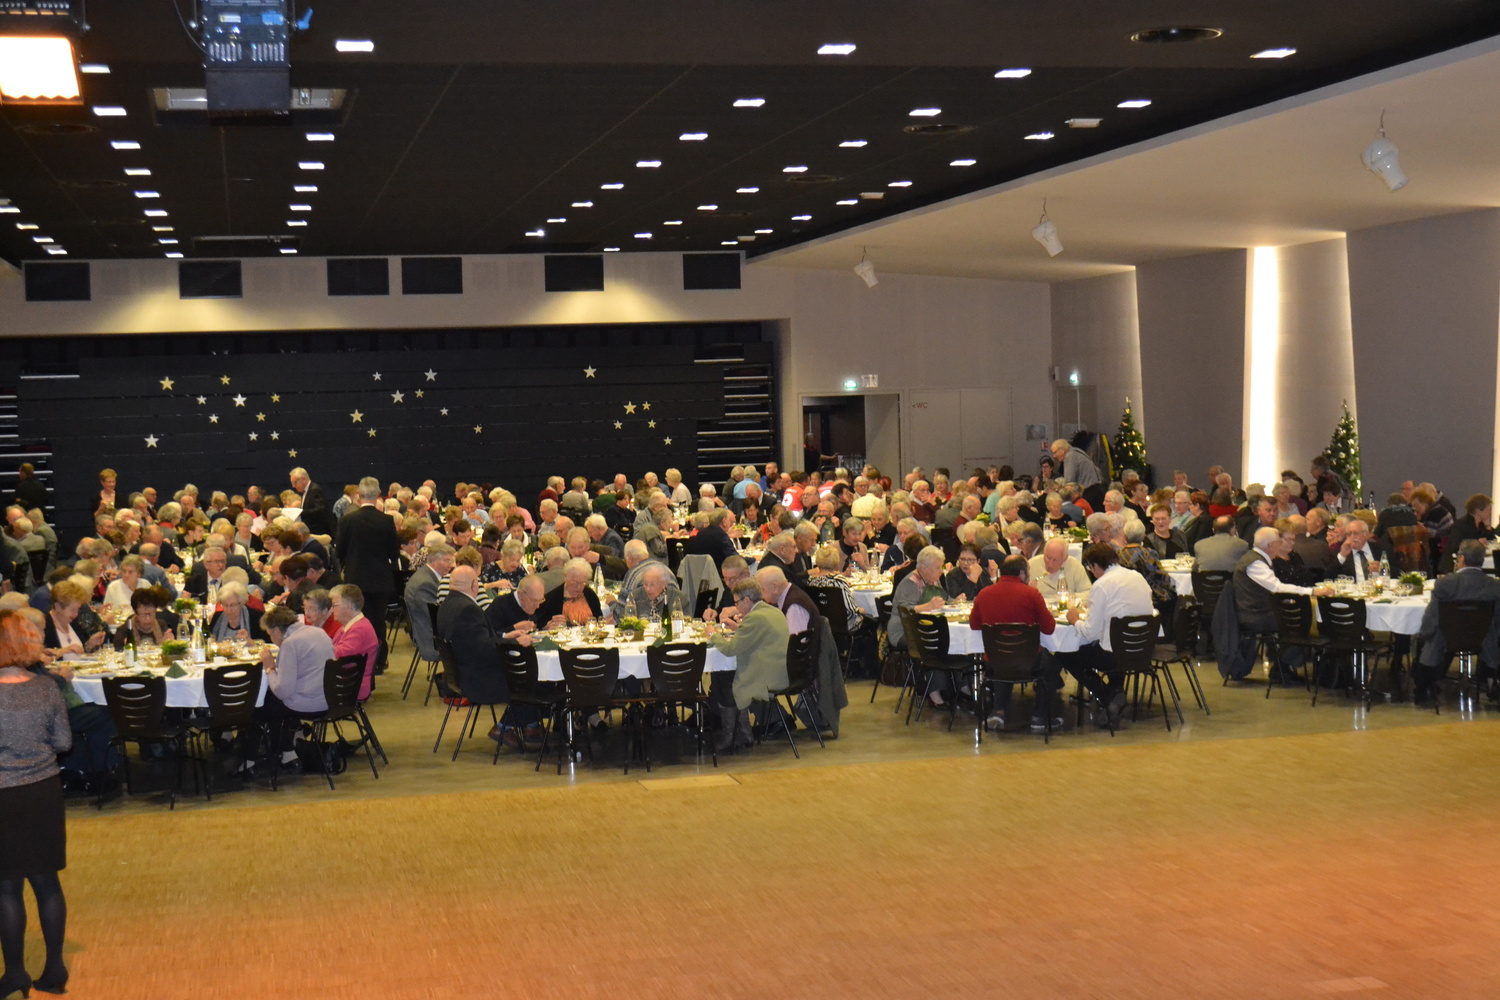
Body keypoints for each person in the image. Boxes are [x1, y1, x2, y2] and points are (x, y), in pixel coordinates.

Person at [0, 610, 72, 998]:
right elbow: (63, 742)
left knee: (6, 888)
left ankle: (15, 976)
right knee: (47, 883)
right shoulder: (47, 687)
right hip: (44, 791)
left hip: (4, 796)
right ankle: (55, 969)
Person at [1057, 544, 1153, 729]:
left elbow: (1090, 632)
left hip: (1112, 655)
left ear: (1095, 565)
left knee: (1065, 653)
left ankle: (1107, 697)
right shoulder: (1137, 577)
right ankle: (1115, 695)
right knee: (1114, 644)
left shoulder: (1102, 585)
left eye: (1090, 568)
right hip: (1141, 650)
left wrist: (1075, 620)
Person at [970, 554, 1060, 733]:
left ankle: (998, 711)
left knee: (1004, 656)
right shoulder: (1031, 594)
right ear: (1022, 573)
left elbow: (974, 625)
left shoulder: (984, 593)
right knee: (1055, 662)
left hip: (994, 660)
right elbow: (1049, 628)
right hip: (1028, 661)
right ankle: (1040, 716)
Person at [706, 576, 790, 752]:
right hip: (780, 669)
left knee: (723, 678)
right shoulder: (772, 611)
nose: (736, 607)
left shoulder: (754, 618)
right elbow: (756, 633)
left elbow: (730, 649)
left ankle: (733, 736)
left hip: (766, 677)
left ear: (747, 600)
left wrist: (713, 634)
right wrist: (737, 628)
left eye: (737, 603)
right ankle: (742, 732)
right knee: (726, 676)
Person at [1412, 540, 1500, 704]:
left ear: (1461, 558)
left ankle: (1424, 686)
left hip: (1447, 639)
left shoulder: (1445, 583)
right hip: (1481, 639)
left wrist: (1423, 635)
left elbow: (1432, 616)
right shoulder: (1494, 586)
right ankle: (1491, 682)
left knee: (1428, 637)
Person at [252, 604, 334, 768]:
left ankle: (257, 757)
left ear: (276, 630)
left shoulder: (290, 644)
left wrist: (270, 667)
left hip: (308, 704)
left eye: (269, 634)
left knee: (260, 705)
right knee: (275, 702)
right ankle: (288, 749)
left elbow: (282, 691)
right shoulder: (318, 632)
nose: (271, 638)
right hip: (329, 699)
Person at [335, 477, 402, 674]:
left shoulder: (347, 520)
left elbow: (339, 552)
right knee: (378, 620)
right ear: (379, 494)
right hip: (380, 579)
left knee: (355, 620)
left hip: (355, 578)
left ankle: (357, 658)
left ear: (358, 495)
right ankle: (379, 661)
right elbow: (394, 554)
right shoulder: (386, 520)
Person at [330, 584, 380, 702]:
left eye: (334, 605)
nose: (331, 610)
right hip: (345, 679)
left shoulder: (359, 629)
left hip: (351, 685)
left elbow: (336, 655)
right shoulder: (348, 626)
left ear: (349, 606)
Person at [538, 558, 603, 626]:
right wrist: (547, 626)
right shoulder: (552, 598)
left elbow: (599, 619)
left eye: (583, 583)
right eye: (575, 583)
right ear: (565, 577)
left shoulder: (590, 595)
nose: (579, 587)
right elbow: (540, 623)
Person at [1028, 537, 1091, 603]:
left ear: (1065, 558)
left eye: (1055, 560)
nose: (1050, 563)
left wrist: (1069, 597)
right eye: (1048, 558)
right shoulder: (1032, 565)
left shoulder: (1075, 566)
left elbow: (1088, 592)